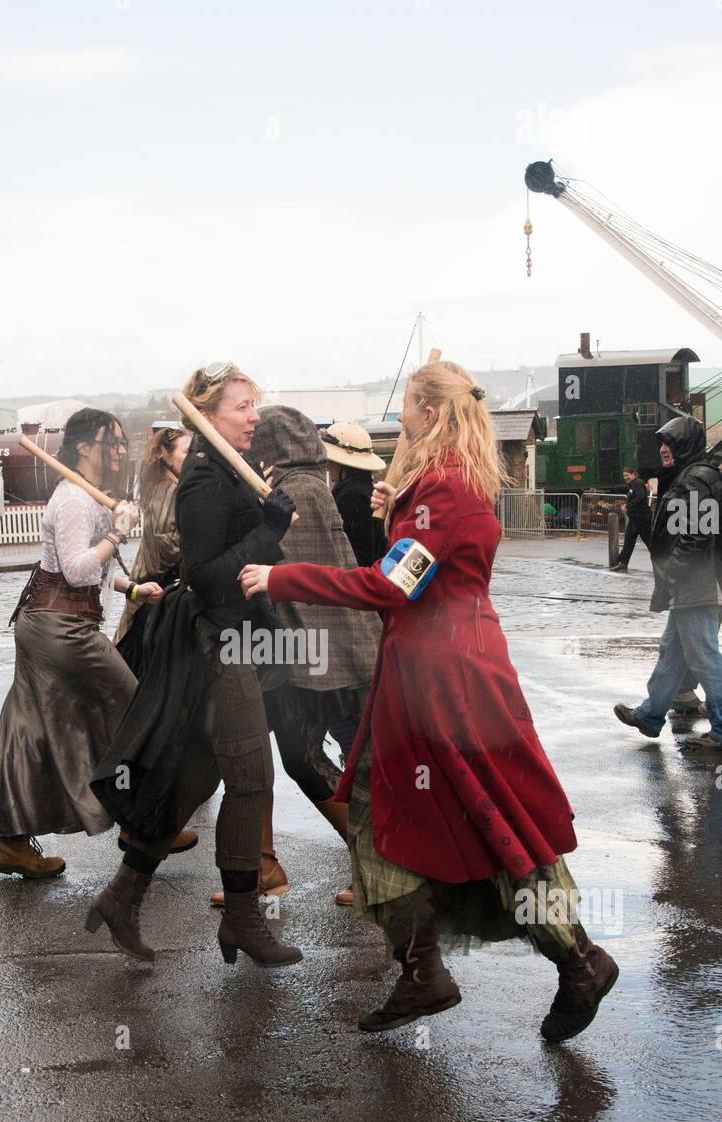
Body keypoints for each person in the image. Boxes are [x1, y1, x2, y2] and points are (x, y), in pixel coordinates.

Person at [240, 360, 619, 1042]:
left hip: (439, 682)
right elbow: (425, 567)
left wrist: (281, 576)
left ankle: (542, 962)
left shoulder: (441, 489)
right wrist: (396, 516)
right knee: (462, 815)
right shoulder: (450, 484)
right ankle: (484, 966)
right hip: (445, 674)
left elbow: (392, 588)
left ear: (431, 412)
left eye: (410, 406)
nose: (402, 417)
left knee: (455, 815)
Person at [88, 363, 303, 967]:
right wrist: (269, 529)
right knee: (253, 778)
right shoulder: (204, 480)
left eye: (254, 405)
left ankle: (122, 896)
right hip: (217, 646)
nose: (254, 415)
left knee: (193, 779)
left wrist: (264, 519)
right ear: (208, 416)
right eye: (241, 407)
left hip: (236, 641)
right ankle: (241, 918)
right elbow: (209, 579)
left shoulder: (229, 473)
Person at [0, 408, 163, 878]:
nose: (121, 452)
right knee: (132, 707)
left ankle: (12, 843)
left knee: (29, 730)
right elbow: (79, 570)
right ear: (83, 448)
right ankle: (140, 822)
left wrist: (131, 589)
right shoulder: (76, 501)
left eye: (123, 443)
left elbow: (84, 572)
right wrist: (119, 530)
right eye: (111, 443)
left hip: (44, 621)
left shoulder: (86, 498)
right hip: (63, 630)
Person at [209, 405, 380, 909]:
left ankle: (375, 865)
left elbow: (283, 577)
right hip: (323, 649)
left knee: (320, 758)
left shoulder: (295, 491)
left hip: (323, 652)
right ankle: (266, 865)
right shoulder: (308, 482)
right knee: (288, 754)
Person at [614, 415, 722, 751]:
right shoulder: (694, 476)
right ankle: (650, 714)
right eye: (662, 443)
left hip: (696, 582)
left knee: (703, 656)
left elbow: (697, 532)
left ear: (684, 444)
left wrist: (675, 569)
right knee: (672, 651)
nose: (663, 449)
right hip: (694, 582)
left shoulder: (695, 478)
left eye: (669, 443)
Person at [114, 426, 191, 677]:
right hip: (157, 596)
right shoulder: (172, 491)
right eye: (186, 452)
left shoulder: (157, 488)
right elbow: (166, 547)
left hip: (145, 595)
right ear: (165, 456)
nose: (191, 458)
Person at [327, 421, 387, 568]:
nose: (327, 465)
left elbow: (359, 554)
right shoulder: (364, 489)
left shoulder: (353, 495)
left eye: (331, 460)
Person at [610, 467, 651, 572]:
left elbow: (641, 496)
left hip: (641, 519)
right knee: (628, 541)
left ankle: (662, 560)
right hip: (635, 519)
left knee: (649, 542)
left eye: (627, 475)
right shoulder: (634, 484)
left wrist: (628, 506)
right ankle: (623, 563)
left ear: (633, 474)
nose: (625, 478)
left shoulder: (637, 483)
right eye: (624, 476)